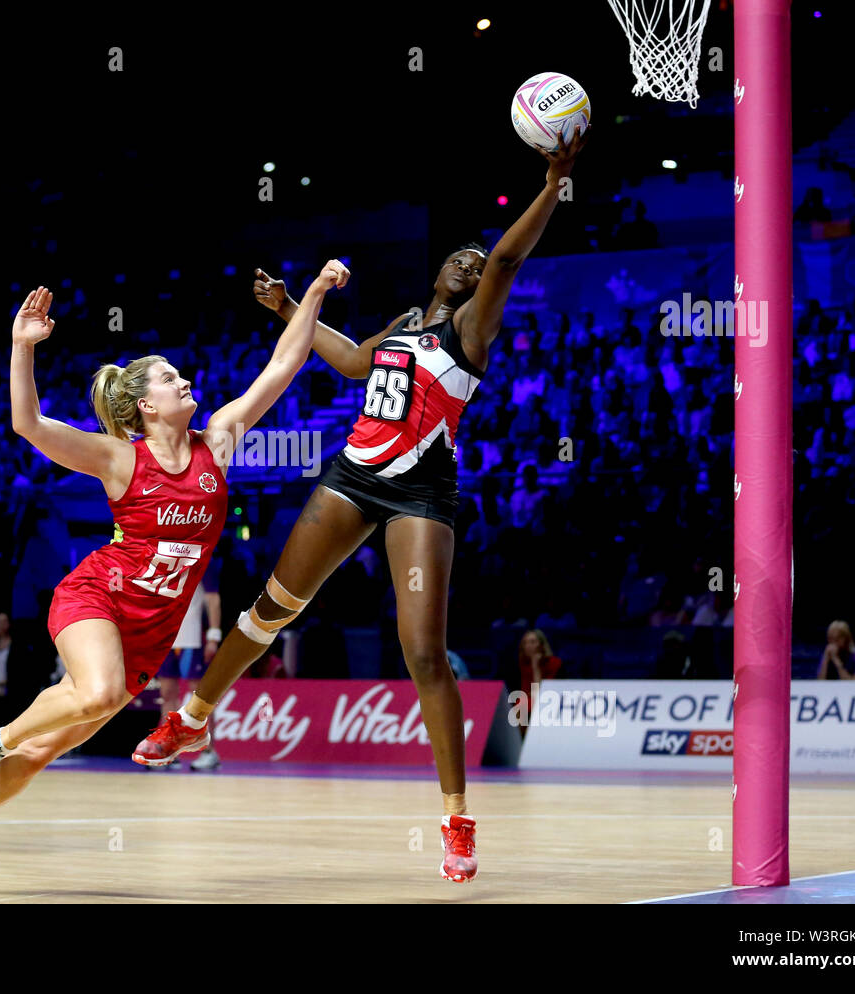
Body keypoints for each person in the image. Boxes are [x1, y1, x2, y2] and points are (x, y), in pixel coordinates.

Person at [132, 127, 589, 884]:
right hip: (352, 473)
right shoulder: (408, 323)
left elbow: (508, 258)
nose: (468, 264)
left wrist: (552, 182)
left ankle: (457, 821)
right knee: (270, 609)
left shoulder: (474, 330)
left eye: (475, 265)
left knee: (423, 652)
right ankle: (190, 720)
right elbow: (348, 361)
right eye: (459, 257)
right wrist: (288, 310)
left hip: (421, 493)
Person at [0, 265, 343, 899]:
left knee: (41, 754)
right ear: (144, 406)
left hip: (150, 632)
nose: (185, 381)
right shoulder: (119, 458)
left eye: (181, 375)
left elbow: (284, 363)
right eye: (169, 378)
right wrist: (22, 346)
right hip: (95, 597)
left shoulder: (217, 441)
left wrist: (316, 291)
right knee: (99, 693)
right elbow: (29, 425)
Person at [153, 568, 222, 771]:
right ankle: (168, 750)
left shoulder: (202, 562)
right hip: (167, 640)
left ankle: (210, 752)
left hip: (192, 639)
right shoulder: (164, 564)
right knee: (167, 695)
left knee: (200, 699)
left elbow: (213, 600)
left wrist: (213, 636)